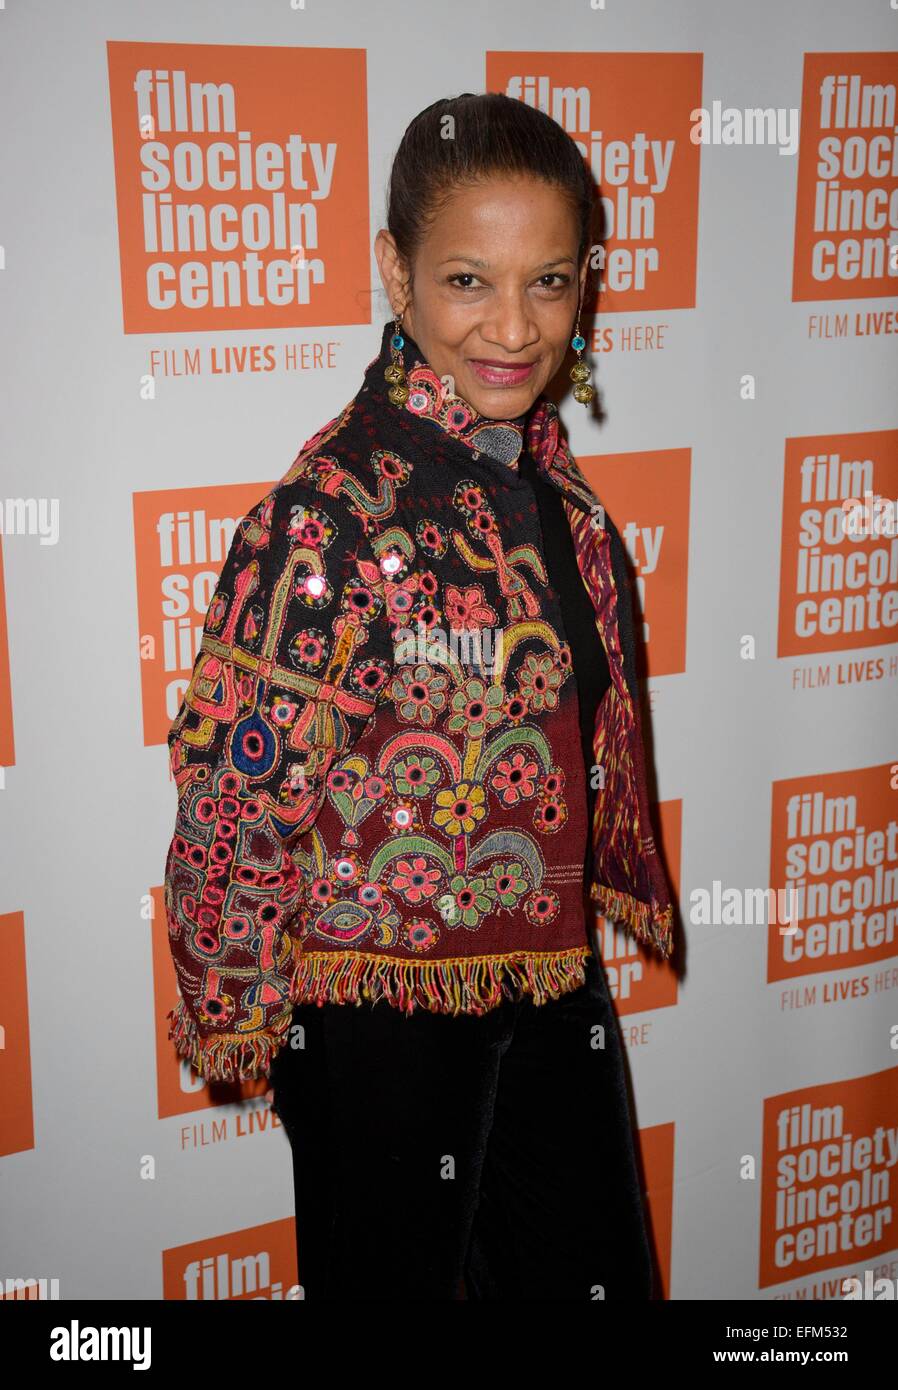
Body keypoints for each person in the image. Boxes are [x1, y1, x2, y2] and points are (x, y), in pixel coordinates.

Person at [163, 92, 674, 1300]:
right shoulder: (328, 515)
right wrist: (241, 1011)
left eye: (548, 282)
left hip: (551, 986)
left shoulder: (554, 488)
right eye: (466, 280)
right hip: (378, 1024)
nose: (512, 326)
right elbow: (232, 798)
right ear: (393, 273)